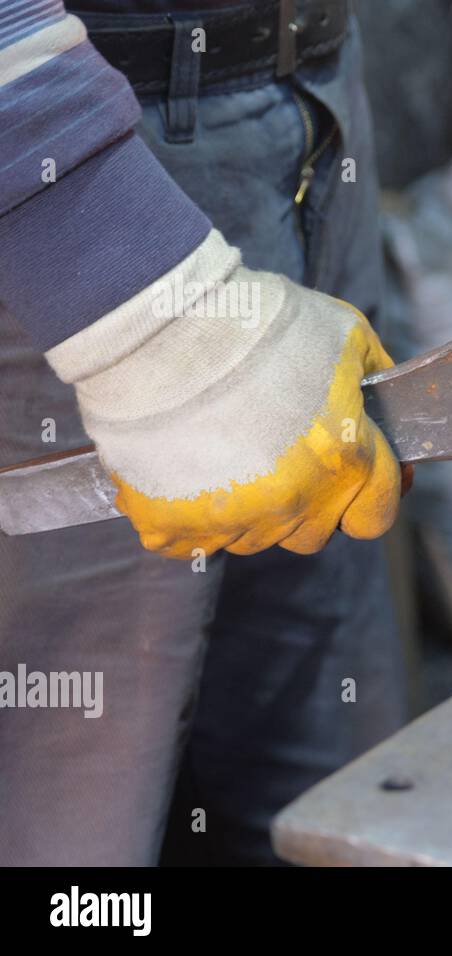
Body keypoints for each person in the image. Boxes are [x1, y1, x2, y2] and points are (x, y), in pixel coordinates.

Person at [0, 0, 406, 865]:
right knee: (69, 827)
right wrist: (136, 301)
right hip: (67, 200)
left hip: (313, 97)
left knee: (333, 784)